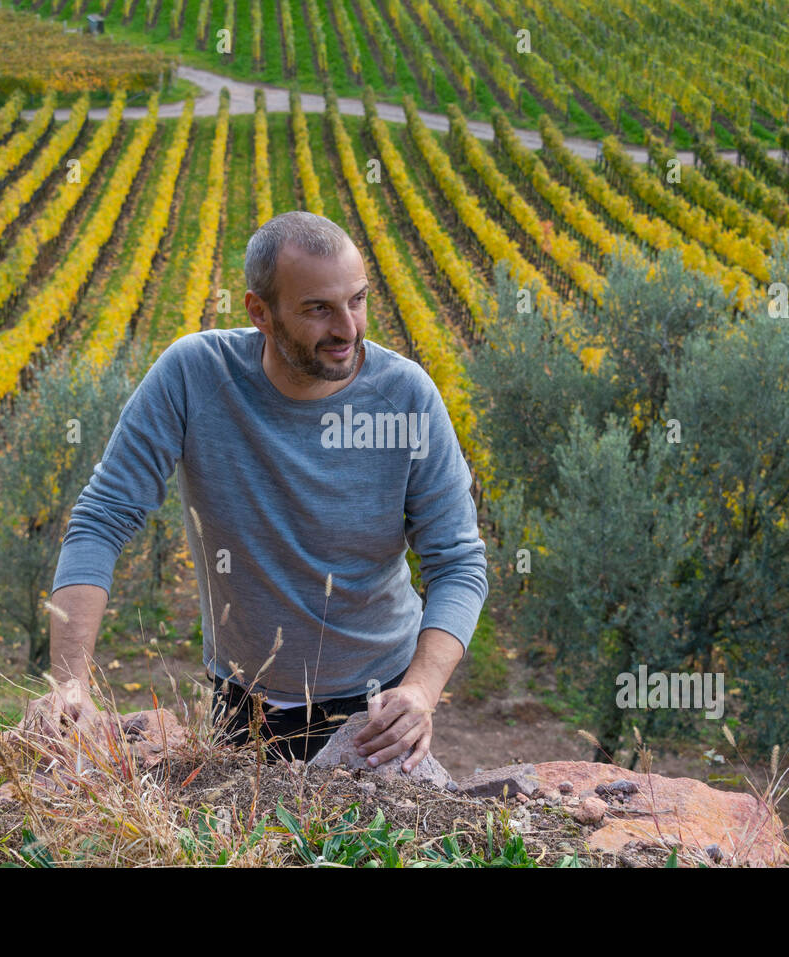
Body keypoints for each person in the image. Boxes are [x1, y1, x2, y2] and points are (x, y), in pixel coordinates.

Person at [34, 210, 488, 772]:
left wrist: (420, 691)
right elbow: (102, 519)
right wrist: (68, 685)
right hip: (240, 703)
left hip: (375, 711)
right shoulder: (194, 375)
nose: (348, 328)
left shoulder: (407, 397)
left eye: (358, 300)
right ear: (260, 312)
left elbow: (459, 562)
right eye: (318, 309)